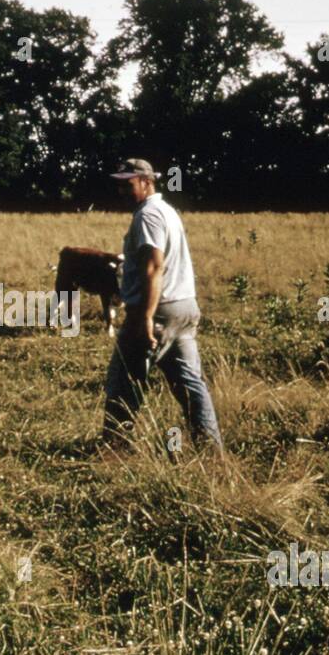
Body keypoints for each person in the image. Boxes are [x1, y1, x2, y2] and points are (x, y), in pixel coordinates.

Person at [102, 158, 223, 450]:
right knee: (190, 383)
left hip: (157, 310)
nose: (122, 192)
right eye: (119, 185)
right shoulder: (167, 211)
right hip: (183, 308)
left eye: (128, 185)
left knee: (124, 381)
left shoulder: (148, 216)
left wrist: (144, 317)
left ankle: (114, 449)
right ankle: (210, 448)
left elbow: (155, 267)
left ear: (147, 181)